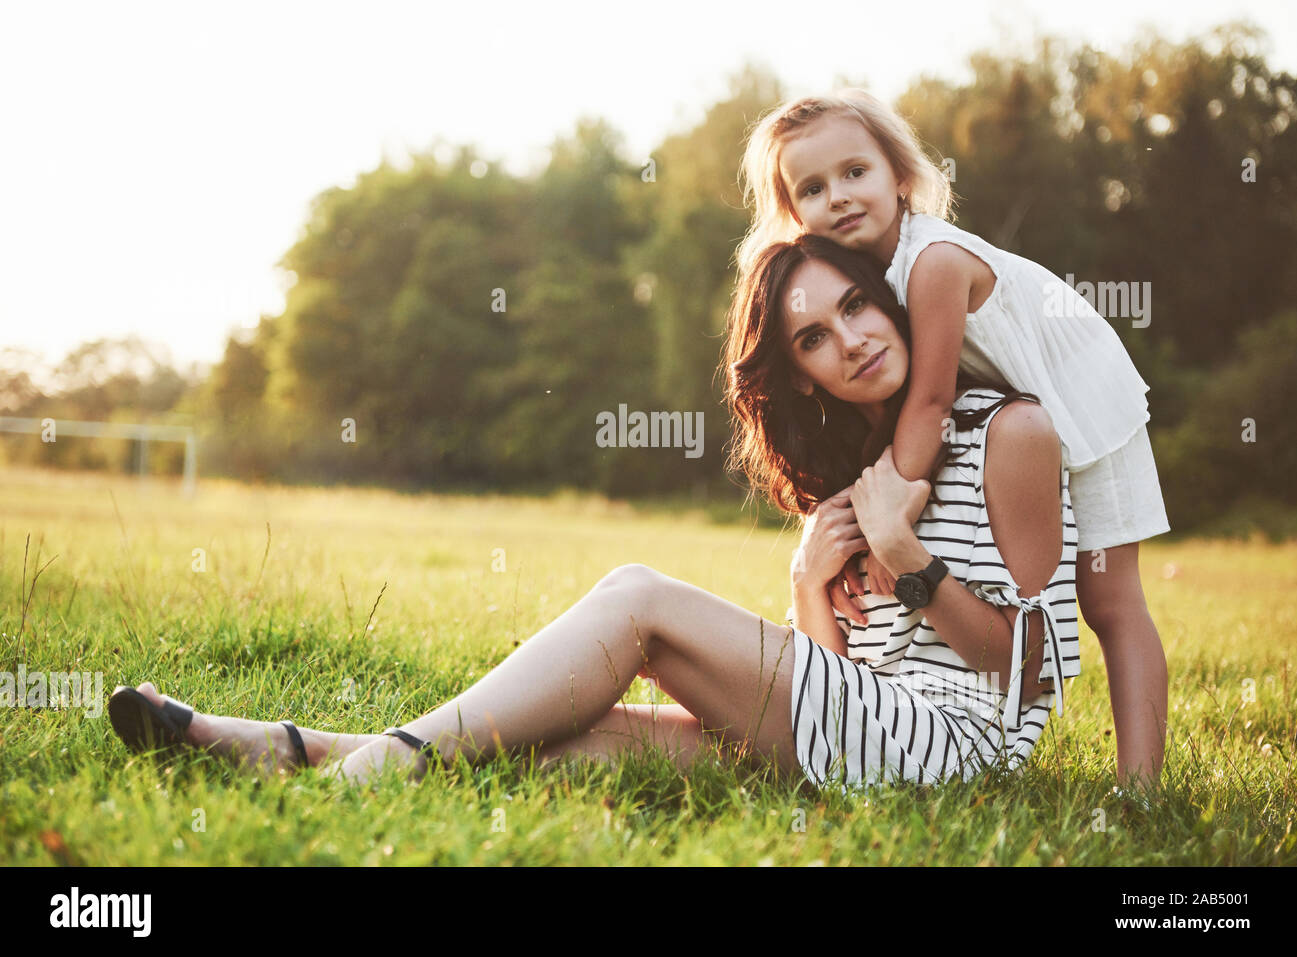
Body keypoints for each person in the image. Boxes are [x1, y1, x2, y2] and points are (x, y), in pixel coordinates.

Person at [108, 237, 1076, 795]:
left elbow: (1033, 671)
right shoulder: (854, 475)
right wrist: (805, 584)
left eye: (860, 305)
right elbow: (844, 671)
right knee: (566, 741)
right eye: (814, 337)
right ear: (800, 373)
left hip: (957, 754)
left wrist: (907, 557)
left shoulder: (1012, 432)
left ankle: (377, 768)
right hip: (864, 738)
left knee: (636, 597)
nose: (851, 340)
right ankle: (279, 751)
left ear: (897, 305)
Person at [735, 88, 1168, 792]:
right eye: (812, 188)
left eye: (855, 172)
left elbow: (932, 401)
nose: (839, 196)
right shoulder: (872, 283)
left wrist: (886, 524)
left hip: (1087, 402)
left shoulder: (931, 262)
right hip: (1031, 414)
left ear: (900, 176)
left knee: (1113, 601)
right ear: (792, 215)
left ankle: (1143, 787)